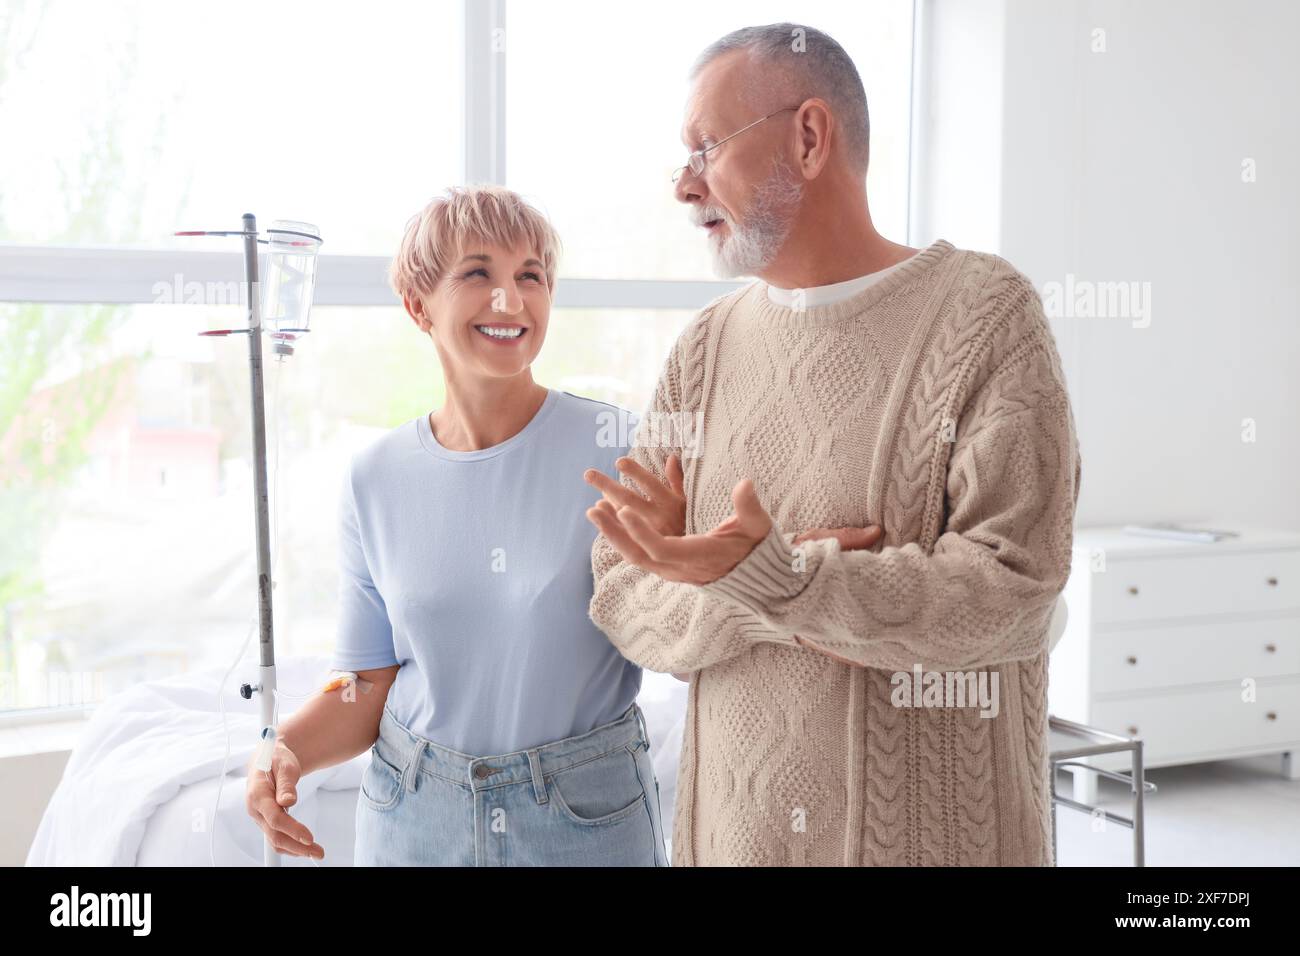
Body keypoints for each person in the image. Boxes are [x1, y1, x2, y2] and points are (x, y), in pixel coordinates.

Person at [586, 23, 1082, 866]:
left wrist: (780, 580)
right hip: (732, 843)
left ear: (809, 137)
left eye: (707, 146)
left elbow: (1013, 589)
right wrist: (754, 586)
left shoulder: (985, 314)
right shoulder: (702, 350)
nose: (683, 184)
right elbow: (624, 599)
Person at [246, 185, 668, 866]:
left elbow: (686, 617)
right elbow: (363, 685)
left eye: (531, 276)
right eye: (478, 273)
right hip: (414, 815)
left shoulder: (618, 447)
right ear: (418, 306)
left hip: (583, 816)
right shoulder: (374, 478)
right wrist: (283, 749)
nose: (511, 300)